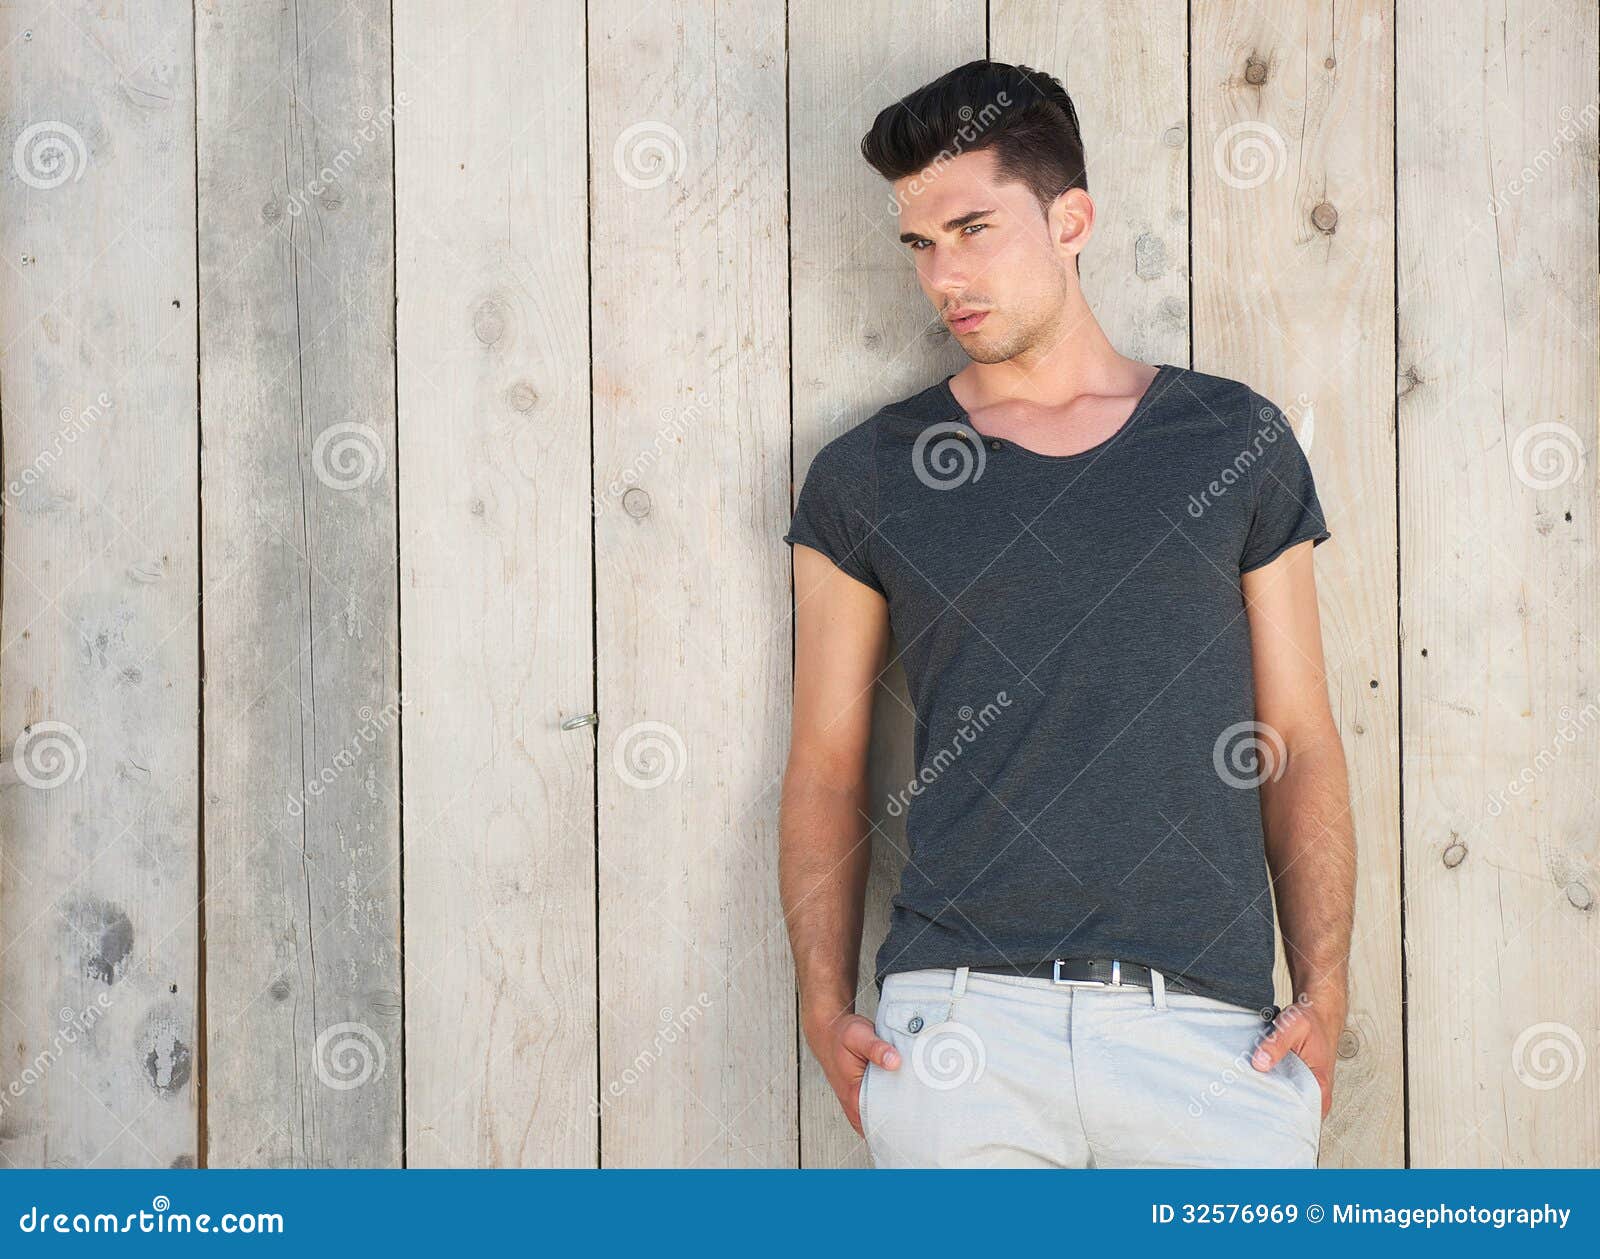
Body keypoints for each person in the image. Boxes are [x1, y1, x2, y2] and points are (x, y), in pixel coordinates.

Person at [778, 59, 1355, 1168]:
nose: (943, 274)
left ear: (1071, 218)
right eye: (918, 244)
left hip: (1211, 1040)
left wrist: (1321, 990)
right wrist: (819, 1000)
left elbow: (1298, 739)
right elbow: (823, 764)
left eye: (972, 228)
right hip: (957, 1038)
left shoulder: (1231, 441)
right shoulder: (865, 475)